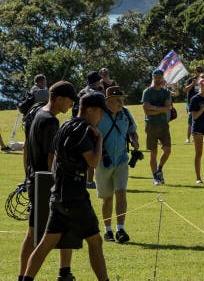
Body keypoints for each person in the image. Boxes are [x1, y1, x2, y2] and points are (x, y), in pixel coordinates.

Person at [23, 92, 109, 281]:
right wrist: (100, 140)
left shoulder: (66, 126)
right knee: (95, 241)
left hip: (58, 194)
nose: (101, 117)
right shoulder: (84, 130)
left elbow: (52, 158)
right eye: (100, 113)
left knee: (45, 244)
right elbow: (93, 162)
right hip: (75, 196)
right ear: (89, 110)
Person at [19, 81, 77, 281]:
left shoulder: (36, 114)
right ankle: (64, 273)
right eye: (69, 101)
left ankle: (23, 276)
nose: (70, 106)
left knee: (33, 233)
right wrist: (59, 182)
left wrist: (28, 175)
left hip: (35, 179)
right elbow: (53, 157)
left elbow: (26, 148)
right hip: (47, 184)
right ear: (59, 98)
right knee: (59, 229)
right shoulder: (51, 121)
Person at [96, 86, 138, 244]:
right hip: (102, 162)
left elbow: (132, 130)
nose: (121, 103)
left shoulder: (126, 113)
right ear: (108, 102)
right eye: (117, 100)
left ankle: (120, 229)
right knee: (107, 198)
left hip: (121, 159)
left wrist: (134, 139)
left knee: (121, 193)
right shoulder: (99, 114)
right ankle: (108, 231)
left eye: (122, 100)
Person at [141, 69, 173, 186]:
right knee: (153, 152)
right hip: (151, 125)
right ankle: (155, 177)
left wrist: (153, 108)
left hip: (164, 125)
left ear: (163, 77)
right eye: (156, 77)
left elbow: (167, 108)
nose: (158, 79)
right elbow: (146, 111)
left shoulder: (166, 92)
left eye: (160, 76)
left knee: (167, 151)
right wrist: (160, 109)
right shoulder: (147, 92)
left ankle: (159, 169)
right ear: (153, 77)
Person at [183, 67, 204, 144]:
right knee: (190, 121)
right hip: (191, 103)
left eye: (200, 71)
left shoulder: (203, 79)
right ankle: (187, 138)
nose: (198, 72)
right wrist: (192, 84)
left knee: (200, 120)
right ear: (194, 72)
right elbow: (185, 90)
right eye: (197, 71)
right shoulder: (190, 80)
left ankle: (196, 137)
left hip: (201, 103)